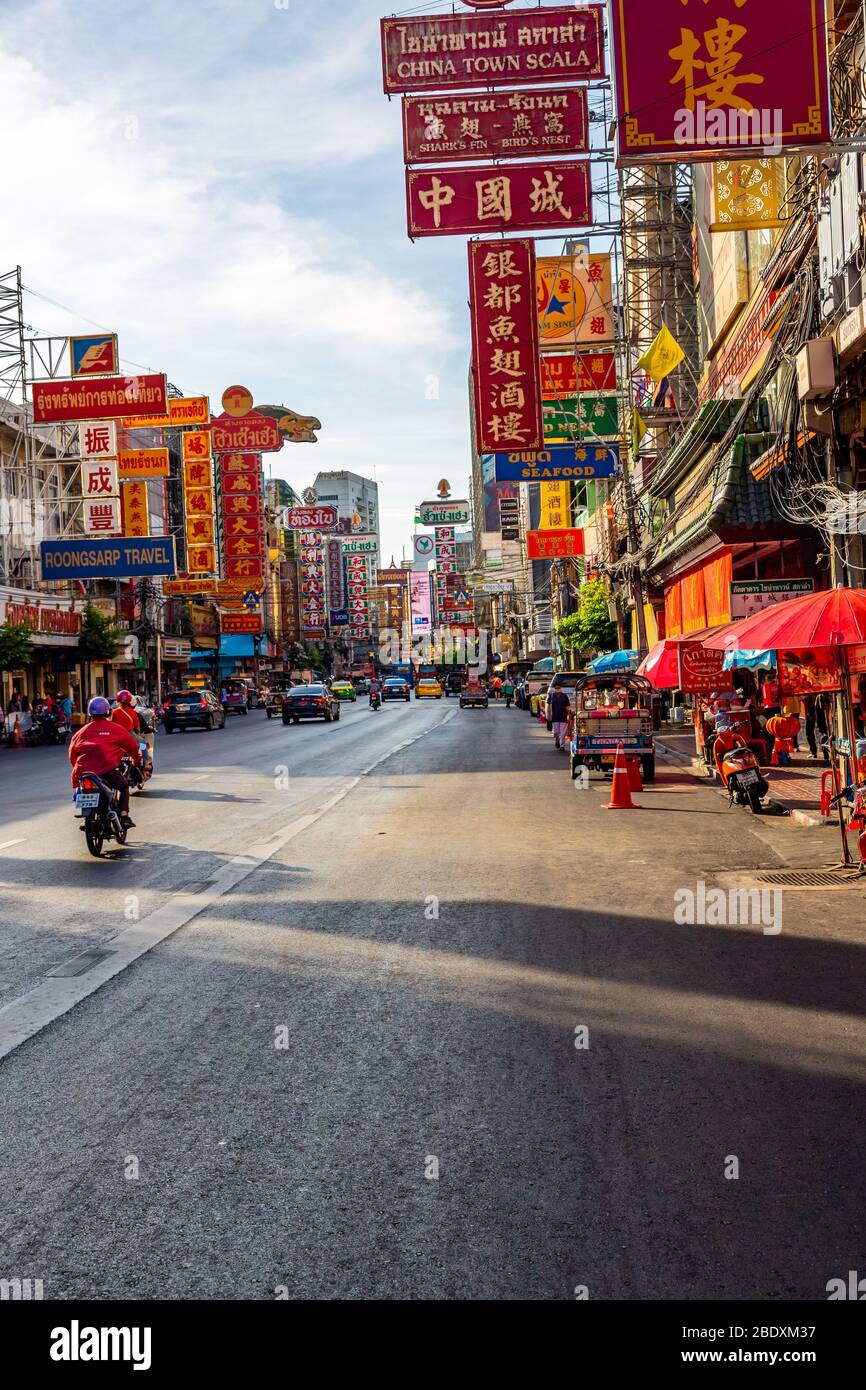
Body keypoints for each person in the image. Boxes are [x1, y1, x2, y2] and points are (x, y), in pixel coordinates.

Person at [68, 696, 142, 829]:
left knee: (83, 790)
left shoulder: (81, 732)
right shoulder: (116, 728)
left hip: (84, 772)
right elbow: (132, 746)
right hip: (107, 770)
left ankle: (86, 818)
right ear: (108, 712)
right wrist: (136, 761)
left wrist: (77, 768)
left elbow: (72, 754)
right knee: (124, 786)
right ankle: (124, 816)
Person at [549, 684, 571, 751]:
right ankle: (557, 740)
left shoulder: (564, 696)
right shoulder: (552, 696)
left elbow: (567, 706)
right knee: (556, 732)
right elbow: (549, 706)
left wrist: (569, 715)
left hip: (563, 716)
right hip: (555, 716)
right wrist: (549, 715)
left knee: (563, 732)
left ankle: (562, 746)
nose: (557, 689)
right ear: (554, 689)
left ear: (561, 688)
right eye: (556, 688)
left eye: (559, 688)